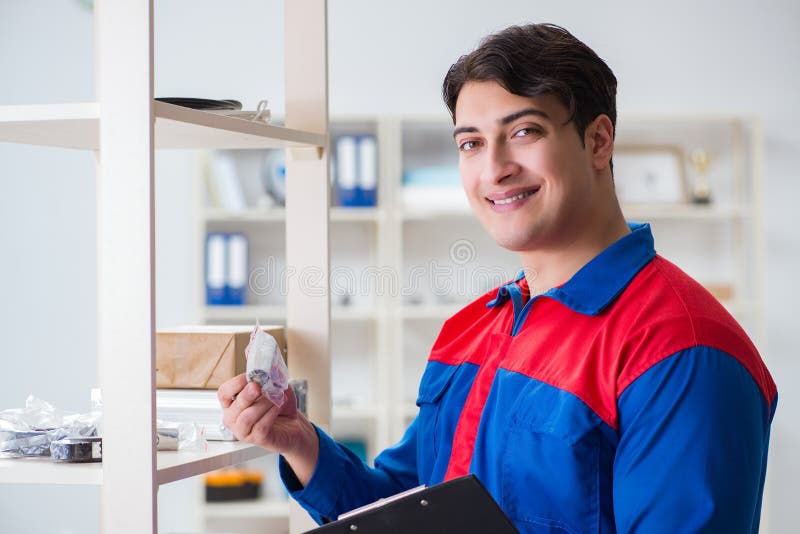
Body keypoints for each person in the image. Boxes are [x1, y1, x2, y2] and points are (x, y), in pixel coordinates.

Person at [218, 23, 777, 533]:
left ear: (598, 141)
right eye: (471, 143)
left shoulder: (681, 349)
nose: (494, 168)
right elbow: (407, 509)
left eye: (525, 131)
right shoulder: (469, 332)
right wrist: (300, 444)